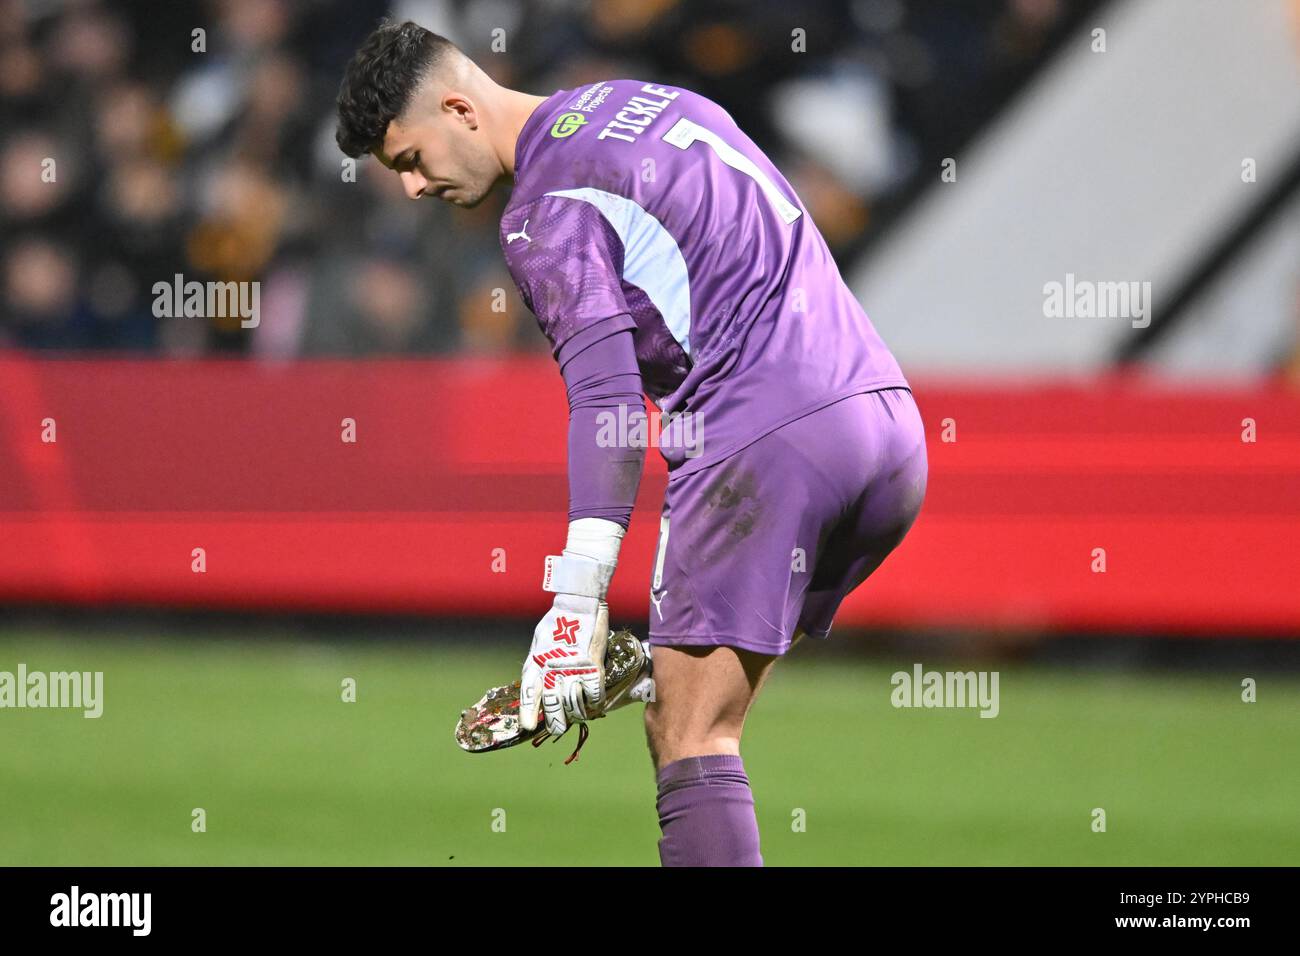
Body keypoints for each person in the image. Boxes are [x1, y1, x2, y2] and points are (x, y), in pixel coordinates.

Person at [335, 19, 928, 867]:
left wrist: (575, 604)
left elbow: (608, 403)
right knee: (692, 693)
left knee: (690, 738)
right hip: (885, 428)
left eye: (409, 161)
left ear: (460, 109)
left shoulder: (544, 209)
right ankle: (654, 661)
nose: (412, 189)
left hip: (767, 437)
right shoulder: (650, 101)